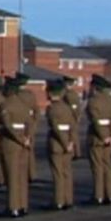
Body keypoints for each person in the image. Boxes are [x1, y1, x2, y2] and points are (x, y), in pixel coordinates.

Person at [0, 77, 33, 217]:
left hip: (12, 143)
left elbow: (7, 125)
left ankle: (13, 207)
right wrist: (27, 138)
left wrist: (19, 139)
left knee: (12, 176)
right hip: (24, 143)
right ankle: (23, 205)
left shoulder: (5, 105)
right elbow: (30, 123)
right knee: (22, 176)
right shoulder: (23, 105)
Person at [86, 74, 111, 205]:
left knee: (98, 168)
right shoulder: (109, 99)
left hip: (97, 139)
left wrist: (104, 137)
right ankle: (109, 194)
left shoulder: (93, 101)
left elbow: (96, 121)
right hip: (109, 137)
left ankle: (98, 195)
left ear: (94, 87)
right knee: (108, 167)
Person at [45, 79, 75, 210]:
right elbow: (72, 126)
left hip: (58, 145)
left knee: (58, 174)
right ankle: (68, 199)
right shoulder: (67, 108)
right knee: (67, 172)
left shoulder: (52, 109)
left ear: (50, 93)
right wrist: (71, 142)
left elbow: (56, 129)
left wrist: (65, 143)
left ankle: (58, 201)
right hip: (68, 143)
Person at [16, 72, 40, 181]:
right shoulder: (30, 95)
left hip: (18, 124)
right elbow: (36, 111)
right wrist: (34, 123)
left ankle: (20, 173)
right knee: (29, 150)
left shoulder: (15, 95)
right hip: (30, 124)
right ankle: (31, 173)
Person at [63, 76, 84, 160]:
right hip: (70, 117)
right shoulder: (70, 93)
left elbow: (74, 107)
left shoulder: (70, 95)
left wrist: (76, 117)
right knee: (72, 135)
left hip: (71, 117)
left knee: (72, 135)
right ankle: (75, 152)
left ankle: (75, 153)